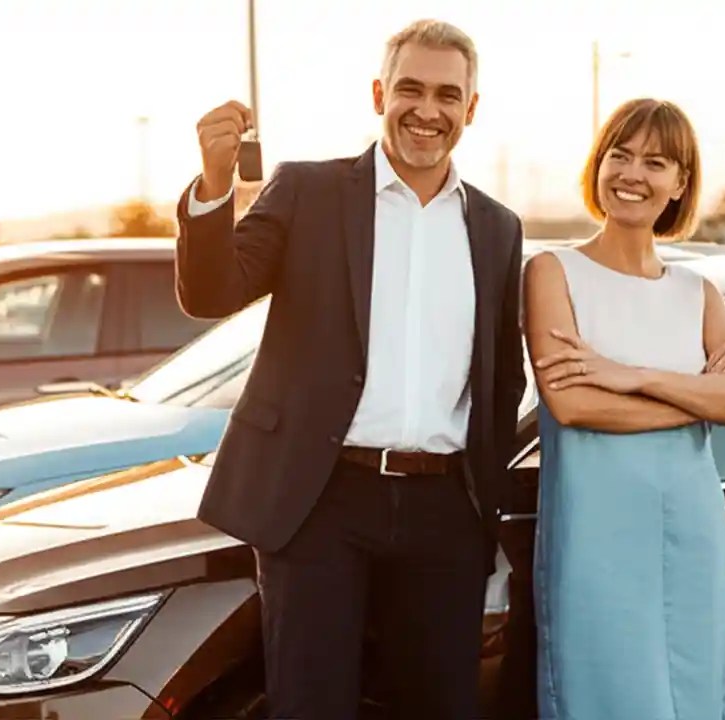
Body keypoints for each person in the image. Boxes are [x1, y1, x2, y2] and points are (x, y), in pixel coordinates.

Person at [175, 19, 526, 720]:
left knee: (442, 705)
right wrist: (215, 186)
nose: (428, 111)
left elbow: (500, 382)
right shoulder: (309, 191)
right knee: (313, 705)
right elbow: (212, 294)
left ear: (471, 109)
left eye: (448, 95)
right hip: (320, 502)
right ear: (378, 94)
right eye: (410, 89)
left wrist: (479, 508)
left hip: (443, 512)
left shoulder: (497, 227)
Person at [522, 98, 725, 719]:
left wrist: (630, 376)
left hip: (693, 526)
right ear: (598, 165)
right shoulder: (552, 271)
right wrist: (697, 398)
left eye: (655, 162)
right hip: (595, 530)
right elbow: (574, 404)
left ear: (679, 183)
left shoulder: (698, 291)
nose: (633, 174)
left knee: (693, 696)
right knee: (604, 693)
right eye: (620, 155)